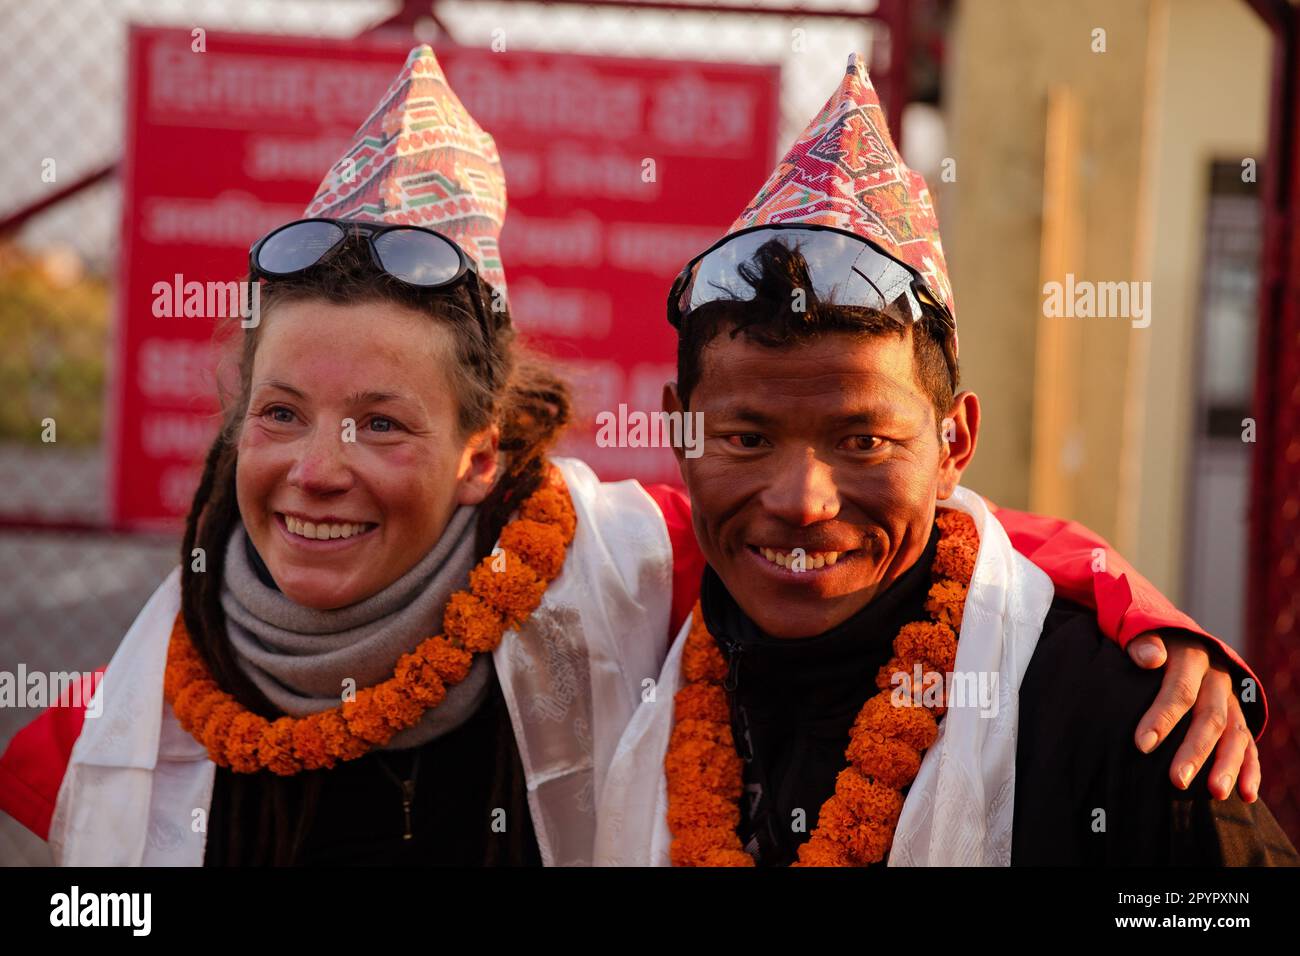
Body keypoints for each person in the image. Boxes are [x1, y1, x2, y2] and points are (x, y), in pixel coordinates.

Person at [0, 47, 1271, 867]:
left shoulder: (589, 576)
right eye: (279, 412)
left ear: (484, 456)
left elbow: (927, 535)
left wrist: (1117, 604)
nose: (316, 467)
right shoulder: (139, 696)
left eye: (384, 421)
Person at [594, 54, 1297, 866]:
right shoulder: (616, 643)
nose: (801, 500)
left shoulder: (1124, 718)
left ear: (953, 444)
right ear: (680, 433)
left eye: (864, 442)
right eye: (747, 439)